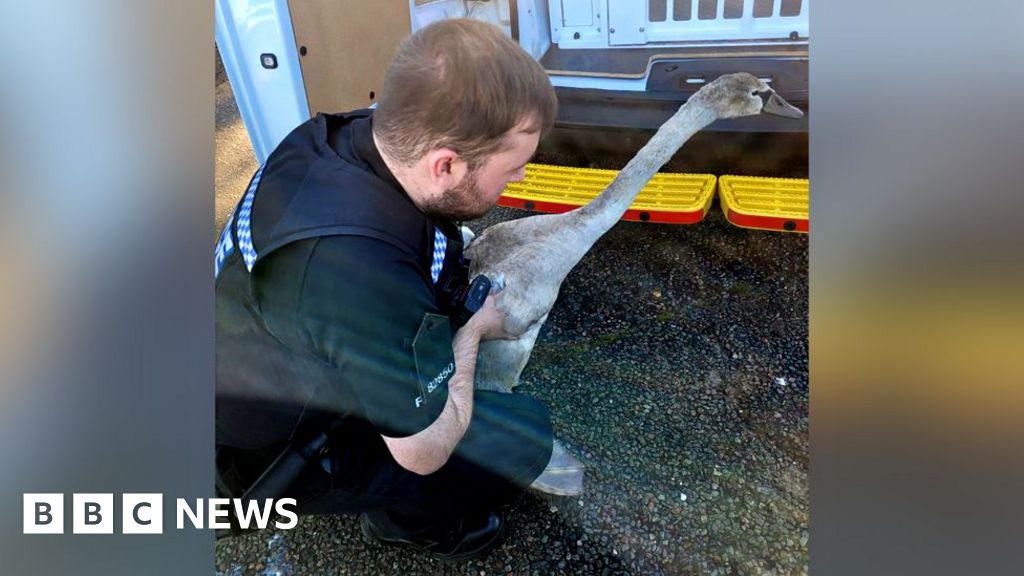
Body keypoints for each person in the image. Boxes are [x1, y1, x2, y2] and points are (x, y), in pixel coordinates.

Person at [214, 19, 558, 562]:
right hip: (259, 462)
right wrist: (471, 334)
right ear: (444, 164)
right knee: (523, 436)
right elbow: (424, 451)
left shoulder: (332, 139)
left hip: (245, 369)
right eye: (511, 168)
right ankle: (408, 525)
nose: (516, 181)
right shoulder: (356, 273)